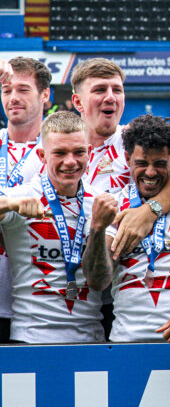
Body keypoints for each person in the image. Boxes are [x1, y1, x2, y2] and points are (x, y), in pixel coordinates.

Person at [82, 115, 170, 346]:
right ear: (127, 158)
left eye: (159, 164)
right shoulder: (114, 206)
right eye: (141, 164)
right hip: (127, 341)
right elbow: (97, 281)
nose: (150, 173)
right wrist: (97, 230)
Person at [0, 112, 116, 343]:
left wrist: (99, 228)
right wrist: (10, 203)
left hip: (90, 340)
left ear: (90, 154)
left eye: (78, 152)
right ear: (42, 156)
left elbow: (101, 282)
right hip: (30, 338)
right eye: (60, 153)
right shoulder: (21, 197)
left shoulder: (100, 202)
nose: (70, 161)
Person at [0, 57, 51, 342]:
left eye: (23, 89)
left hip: (38, 308)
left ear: (45, 95)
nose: (13, 98)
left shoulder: (63, 152)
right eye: (7, 90)